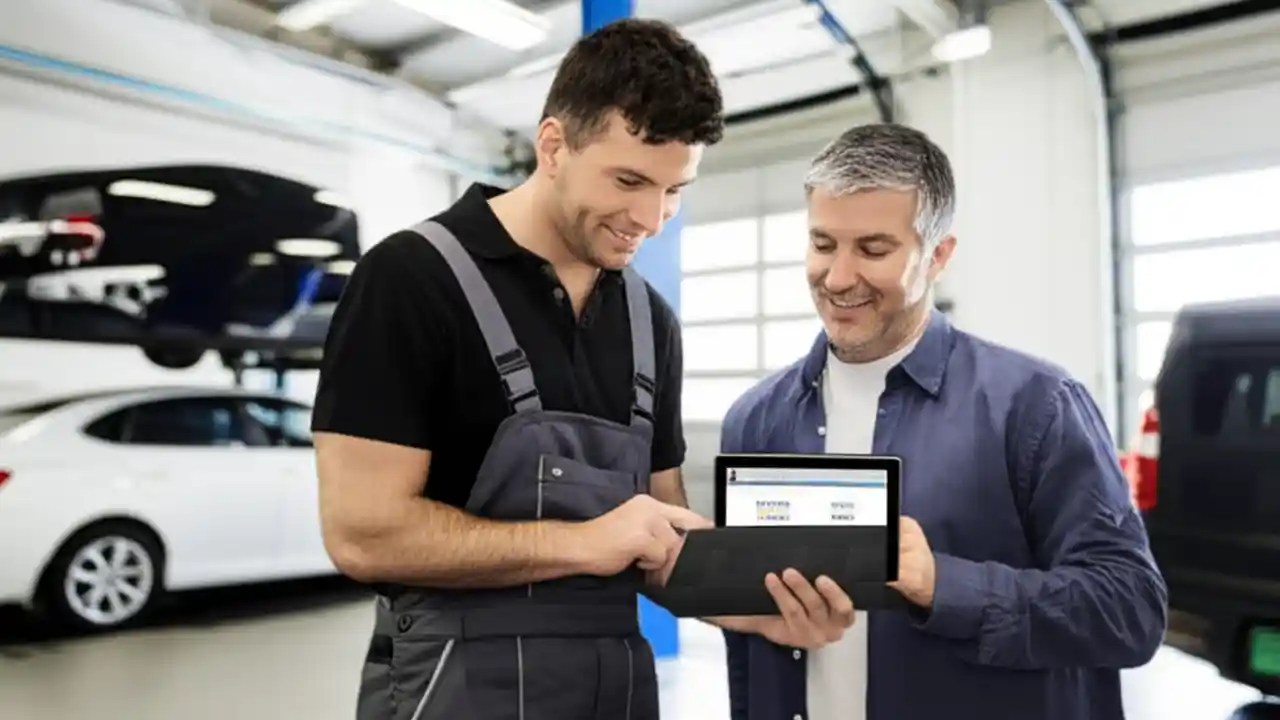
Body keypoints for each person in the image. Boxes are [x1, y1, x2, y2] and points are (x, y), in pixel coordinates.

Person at [311, 18, 853, 720]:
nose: (651, 217)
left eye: (673, 190)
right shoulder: (409, 280)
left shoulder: (649, 322)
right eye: (628, 180)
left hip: (616, 692)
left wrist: (753, 609)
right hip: (454, 687)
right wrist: (582, 542)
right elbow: (361, 533)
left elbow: (658, 536)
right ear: (553, 146)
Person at [719, 123, 1169, 720]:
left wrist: (944, 585)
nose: (838, 277)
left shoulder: (1036, 407)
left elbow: (1130, 609)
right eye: (823, 244)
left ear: (938, 256)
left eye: (873, 250)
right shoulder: (756, 420)